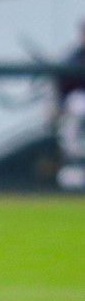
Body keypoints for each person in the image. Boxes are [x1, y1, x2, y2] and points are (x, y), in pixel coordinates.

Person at [55, 21, 85, 190]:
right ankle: (71, 174)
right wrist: (57, 105)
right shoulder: (75, 57)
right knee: (77, 103)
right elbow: (61, 85)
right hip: (77, 105)